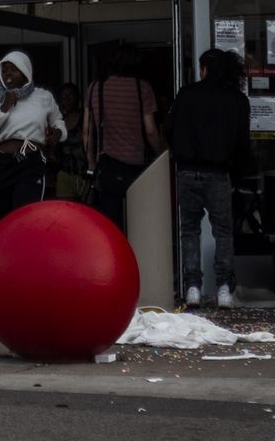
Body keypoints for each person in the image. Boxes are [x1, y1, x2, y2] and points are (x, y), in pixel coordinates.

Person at [170, 48, 251, 308]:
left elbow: (170, 130)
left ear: (203, 69)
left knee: (190, 230)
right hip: (218, 173)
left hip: (187, 171)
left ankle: (193, 286)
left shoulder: (186, 94)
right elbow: (242, 143)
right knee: (223, 232)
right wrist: (236, 177)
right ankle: (224, 287)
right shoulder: (237, 99)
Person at [0, 50, 64, 228]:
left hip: (30, 161)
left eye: (13, 69)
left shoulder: (43, 97)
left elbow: (58, 121)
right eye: (4, 70)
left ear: (25, 71)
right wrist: (3, 107)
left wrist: (57, 133)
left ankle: (24, 255)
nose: (7, 73)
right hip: (1, 161)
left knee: (27, 216)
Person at [83, 46, 162, 230]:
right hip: (137, 165)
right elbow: (150, 130)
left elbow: (87, 131)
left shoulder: (95, 87)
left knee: (110, 222)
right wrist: (160, 155)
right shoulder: (142, 87)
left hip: (107, 164)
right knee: (139, 222)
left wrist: (91, 163)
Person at [53, 83, 89, 200]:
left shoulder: (85, 119)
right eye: (63, 97)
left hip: (84, 175)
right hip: (65, 175)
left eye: (70, 96)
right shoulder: (59, 122)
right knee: (65, 213)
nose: (67, 100)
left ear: (77, 98)